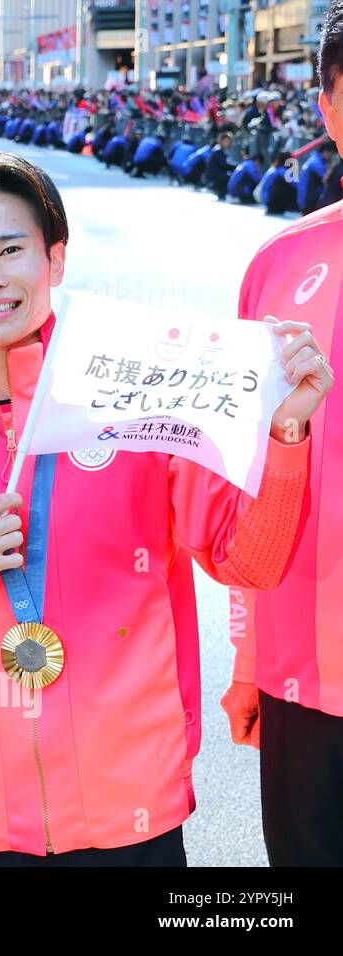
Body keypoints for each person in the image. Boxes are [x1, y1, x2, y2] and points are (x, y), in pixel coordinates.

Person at [0, 151, 329, 866]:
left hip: (132, 815)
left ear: (56, 258)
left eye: (12, 250)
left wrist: (285, 435)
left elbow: (248, 563)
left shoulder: (143, 407)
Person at [220, 1, 343, 866]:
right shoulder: (280, 267)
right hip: (305, 663)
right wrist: (249, 656)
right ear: (332, 105)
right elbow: (244, 482)